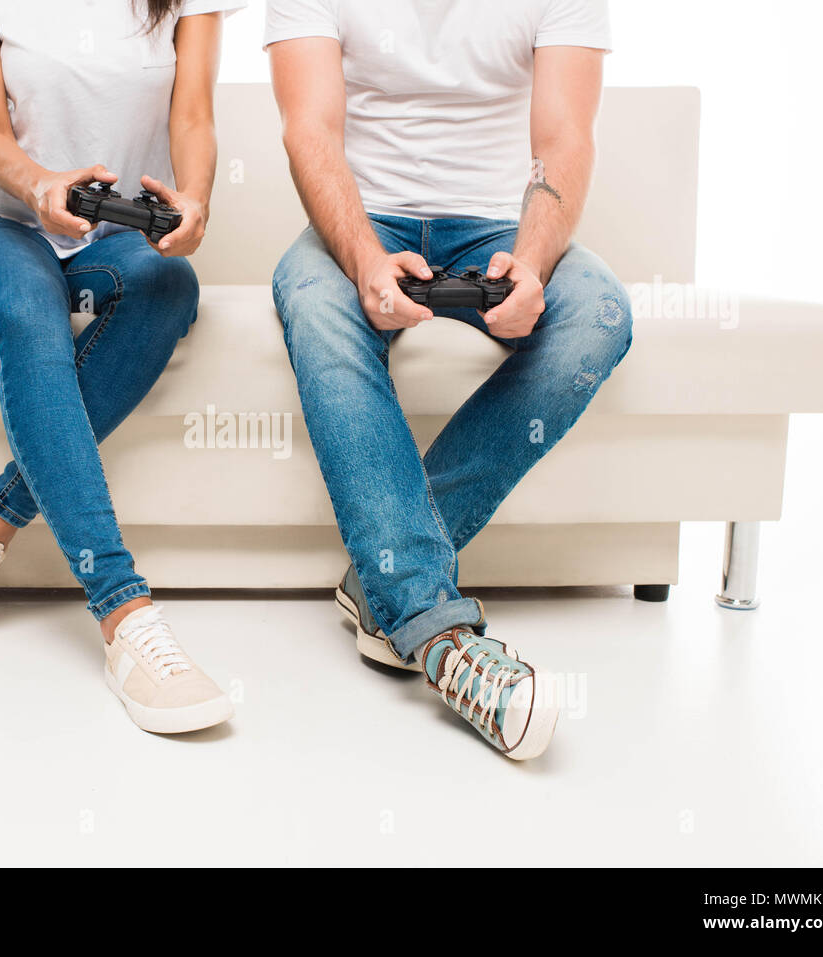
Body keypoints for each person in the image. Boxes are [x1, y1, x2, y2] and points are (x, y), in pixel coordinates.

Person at [266, 0, 633, 759]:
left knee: (598, 312)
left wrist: (530, 266)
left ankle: (384, 581)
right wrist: (365, 259)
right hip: (365, 221)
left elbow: (564, 137)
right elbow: (310, 132)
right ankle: (438, 634)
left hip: (498, 226)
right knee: (317, 307)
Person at [0, 0, 245, 736]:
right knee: (29, 311)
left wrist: (196, 197)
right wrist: (39, 185)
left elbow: (193, 117)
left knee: (169, 288)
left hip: (109, 231)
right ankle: (124, 614)